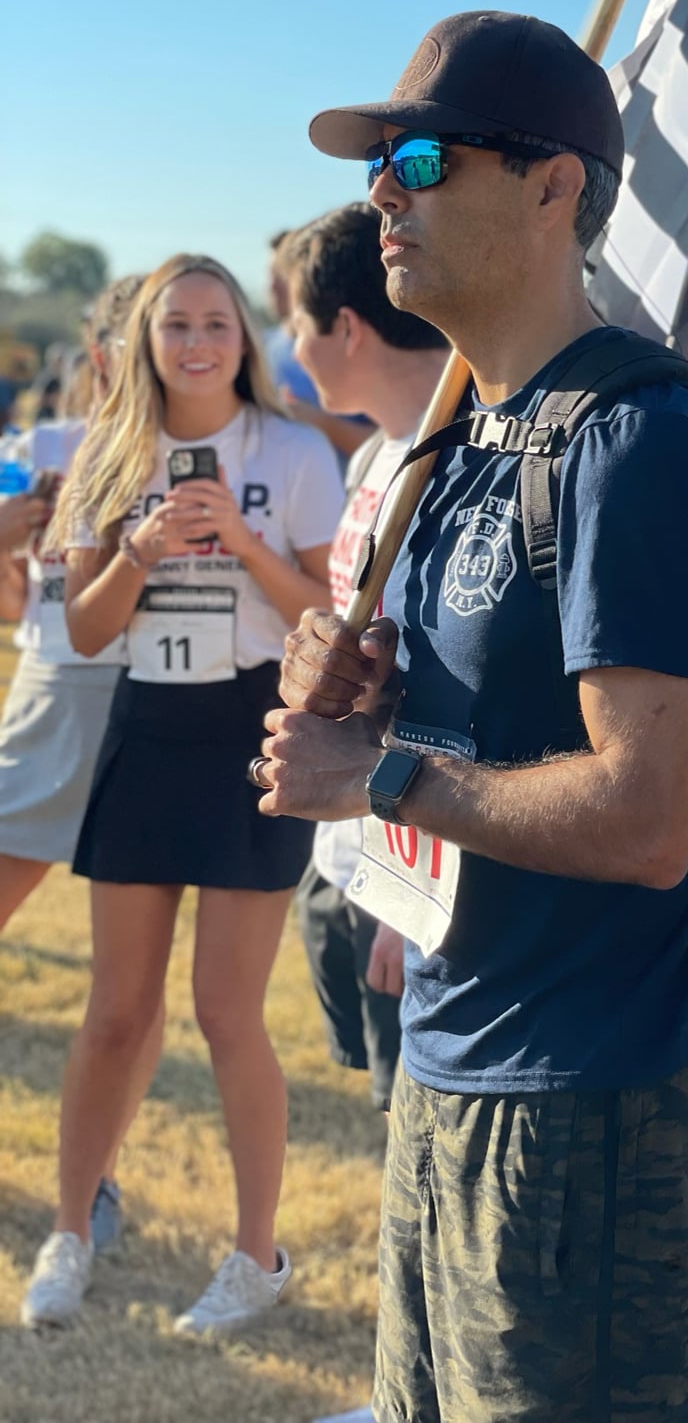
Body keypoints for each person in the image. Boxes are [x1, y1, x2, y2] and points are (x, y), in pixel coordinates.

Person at [253, 10, 688, 1423]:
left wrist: (381, 771)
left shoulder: (642, 445)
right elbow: (477, 713)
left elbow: (654, 817)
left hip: (592, 1097)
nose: (385, 194)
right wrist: (373, 687)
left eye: (421, 156)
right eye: (381, 166)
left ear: (554, 187)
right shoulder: (470, 433)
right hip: (455, 1055)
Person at [20, 254, 344, 1336]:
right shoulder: (108, 452)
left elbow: (320, 610)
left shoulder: (292, 451)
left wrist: (242, 537)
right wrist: (145, 546)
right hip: (147, 719)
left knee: (225, 1009)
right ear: (146, 343)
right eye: (177, 326)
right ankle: (69, 1231)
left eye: (217, 322)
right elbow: (83, 629)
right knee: (115, 1012)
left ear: (244, 338)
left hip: (252, 726)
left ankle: (257, 1255)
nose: (198, 342)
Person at [285, 203, 449, 1117]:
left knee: (417, 1133)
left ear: (346, 327)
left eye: (297, 325)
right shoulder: (374, 459)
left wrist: (401, 886)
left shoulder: (453, 454)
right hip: (351, 850)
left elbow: (444, 688)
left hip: (406, 869)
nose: (292, 349)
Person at [0, 277, 150, 1257]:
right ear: (102, 358)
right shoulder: (45, 450)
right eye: (143, 342)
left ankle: (87, 1183)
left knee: (126, 991)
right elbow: (16, 603)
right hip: (52, 706)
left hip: (160, 723)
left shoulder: (221, 447)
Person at [265, 229, 373, 464]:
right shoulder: (261, 350)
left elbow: (395, 447)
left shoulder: (352, 346)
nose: (272, 287)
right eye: (269, 275)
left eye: (281, 276)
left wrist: (317, 422)